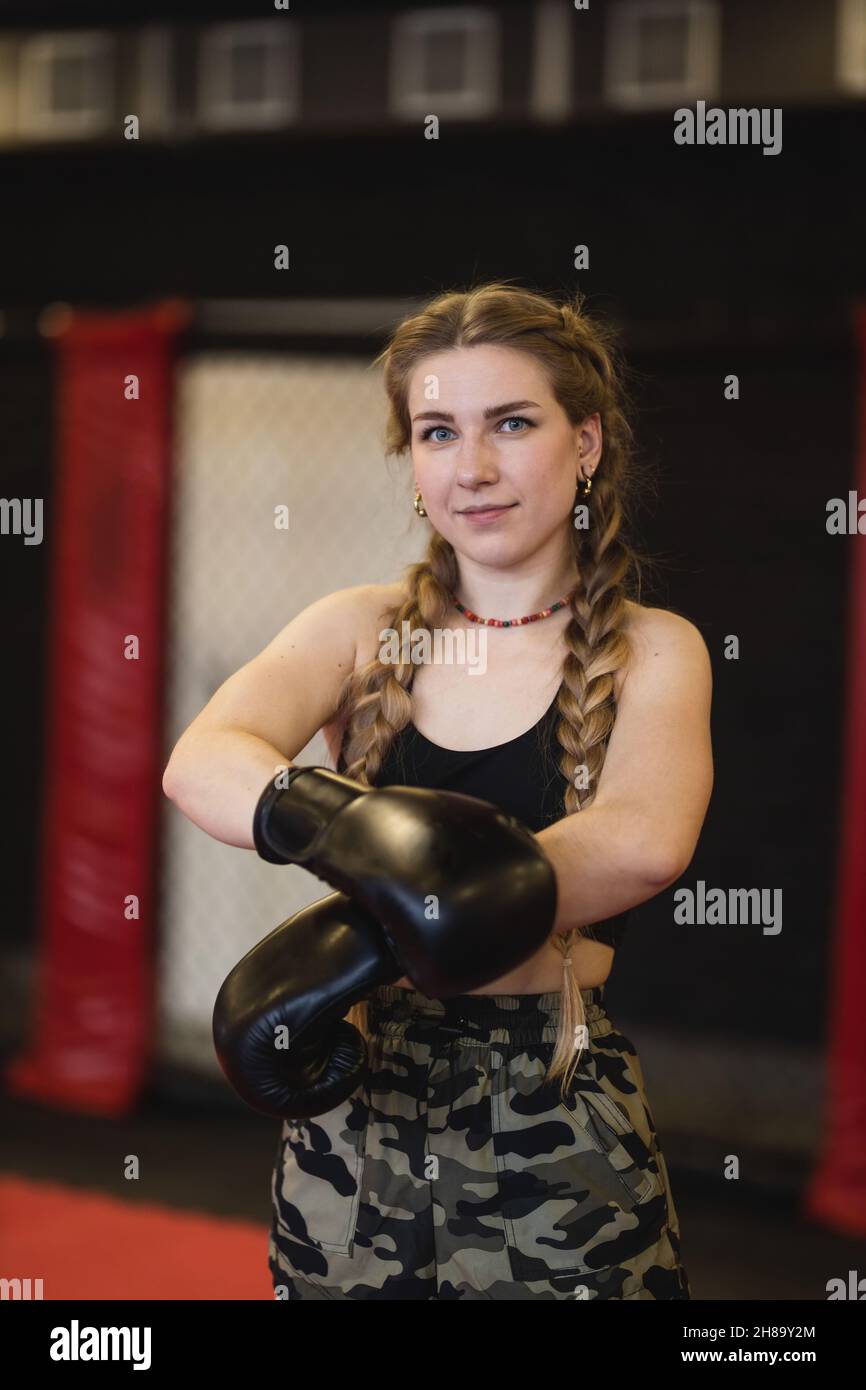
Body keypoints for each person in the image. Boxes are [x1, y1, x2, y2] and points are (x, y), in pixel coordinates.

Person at [163, 280, 713, 1300]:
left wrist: (384, 918)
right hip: (356, 1095)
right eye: (436, 430)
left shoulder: (654, 647)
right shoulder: (361, 626)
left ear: (584, 443)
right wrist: (372, 848)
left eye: (511, 422)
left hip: (546, 1091)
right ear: (411, 460)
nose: (474, 467)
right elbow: (202, 759)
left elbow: (642, 841)